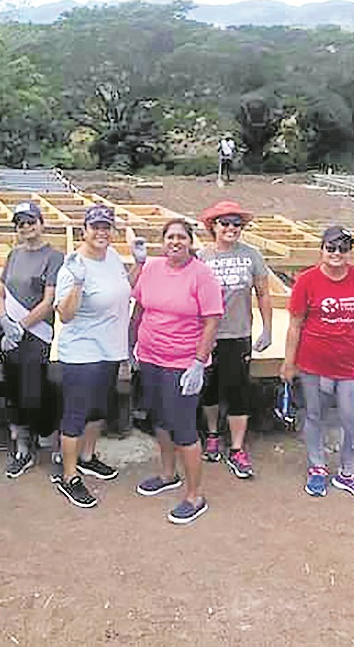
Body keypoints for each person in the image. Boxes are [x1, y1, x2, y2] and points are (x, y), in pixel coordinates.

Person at [281, 225, 354, 502]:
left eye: (343, 248)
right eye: (331, 248)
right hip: (314, 363)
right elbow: (295, 325)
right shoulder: (307, 280)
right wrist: (288, 364)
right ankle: (317, 466)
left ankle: (348, 473)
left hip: (351, 365)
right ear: (322, 249)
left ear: (350, 251)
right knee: (315, 416)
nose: (337, 253)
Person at [132, 219, 223, 524]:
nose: (175, 242)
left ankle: (194, 494)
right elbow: (140, 307)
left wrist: (199, 362)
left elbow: (212, 321)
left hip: (183, 363)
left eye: (181, 237)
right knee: (159, 419)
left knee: (183, 427)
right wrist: (131, 343)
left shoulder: (202, 275)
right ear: (163, 241)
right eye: (170, 237)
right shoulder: (152, 268)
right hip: (150, 358)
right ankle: (168, 474)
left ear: (190, 242)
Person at [53, 204, 131, 508]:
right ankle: (69, 475)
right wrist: (79, 283)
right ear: (84, 230)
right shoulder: (72, 265)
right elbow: (66, 315)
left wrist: (137, 265)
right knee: (75, 413)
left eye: (106, 227)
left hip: (110, 349)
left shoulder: (112, 257)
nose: (101, 232)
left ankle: (87, 457)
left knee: (99, 409)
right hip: (82, 352)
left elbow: (124, 291)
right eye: (95, 227)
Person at [196, 201, 273, 479]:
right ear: (213, 226)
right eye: (225, 223)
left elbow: (264, 293)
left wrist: (267, 329)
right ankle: (213, 434)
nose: (231, 228)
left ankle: (237, 447)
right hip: (208, 335)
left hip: (238, 334)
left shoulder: (252, 255)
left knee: (238, 389)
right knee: (210, 388)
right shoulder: (202, 257)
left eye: (236, 224)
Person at [0, 201, 64, 479]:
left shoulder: (54, 256)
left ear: (41, 222)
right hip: (8, 331)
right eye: (21, 223)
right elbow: (0, 292)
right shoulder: (13, 254)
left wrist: (20, 327)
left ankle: (47, 435)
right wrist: (4, 322)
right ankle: (22, 446)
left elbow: (49, 302)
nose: (26, 227)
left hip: (34, 334)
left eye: (30, 221)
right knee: (12, 388)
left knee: (33, 390)